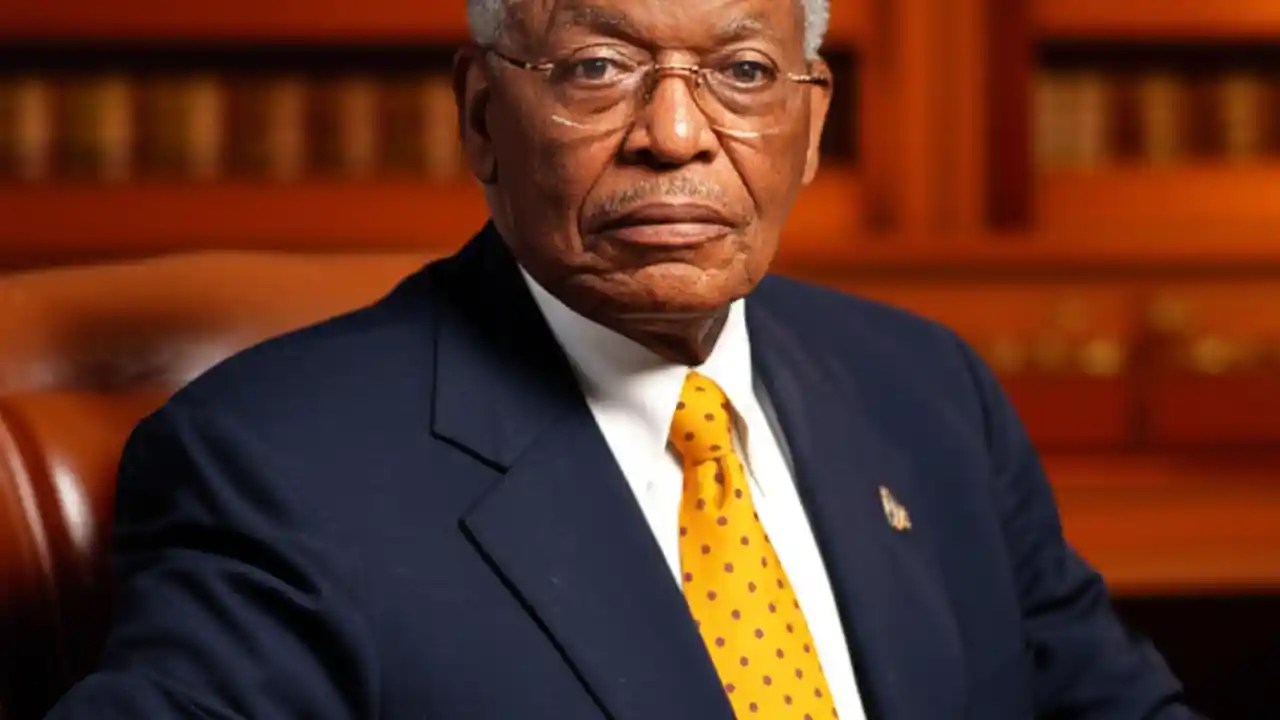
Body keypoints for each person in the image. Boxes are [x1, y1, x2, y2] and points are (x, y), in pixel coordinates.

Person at [48, 0, 1197, 718]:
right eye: (598, 67)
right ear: (481, 116)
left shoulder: (924, 388)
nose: (676, 134)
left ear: (810, 122)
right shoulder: (277, 464)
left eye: (743, 73)